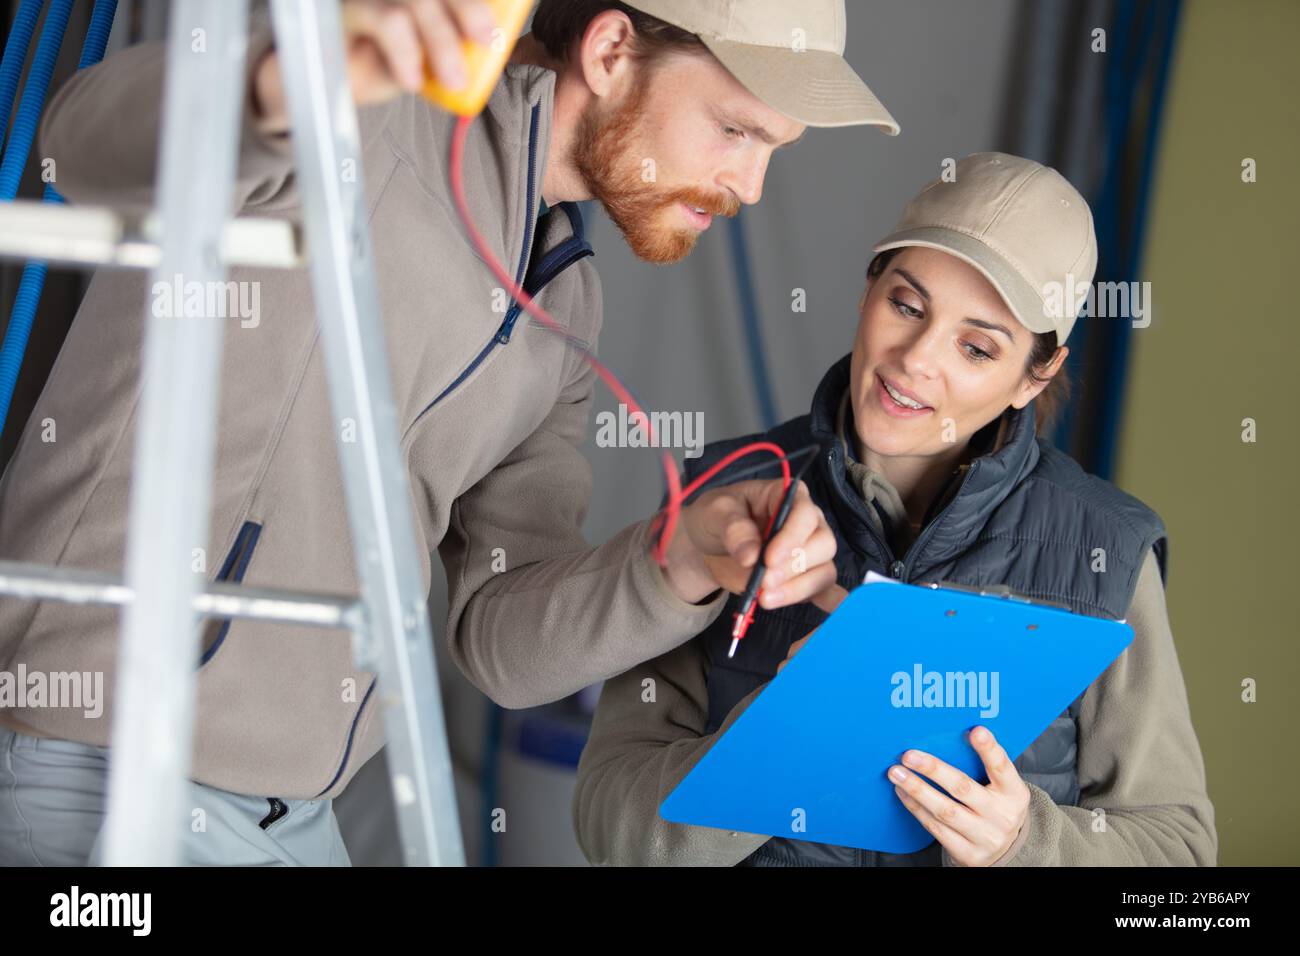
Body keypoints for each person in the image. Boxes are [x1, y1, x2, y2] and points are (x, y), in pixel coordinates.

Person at [0, 0, 897, 865]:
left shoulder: (564, 299)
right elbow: (80, 143)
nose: (749, 185)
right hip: (105, 767)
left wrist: (683, 561)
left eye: (773, 150)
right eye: (735, 130)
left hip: (296, 813)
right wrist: (286, 86)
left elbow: (502, 639)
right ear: (612, 51)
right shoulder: (371, 113)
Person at [573, 152, 1218, 867]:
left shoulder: (1106, 554)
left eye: (976, 347)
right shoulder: (727, 501)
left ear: (1036, 378)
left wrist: (1025, 843)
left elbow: (1178, 858)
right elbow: (610, 825)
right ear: (867, 289)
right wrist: (772, 747)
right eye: (907, 305)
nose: (914, 360)